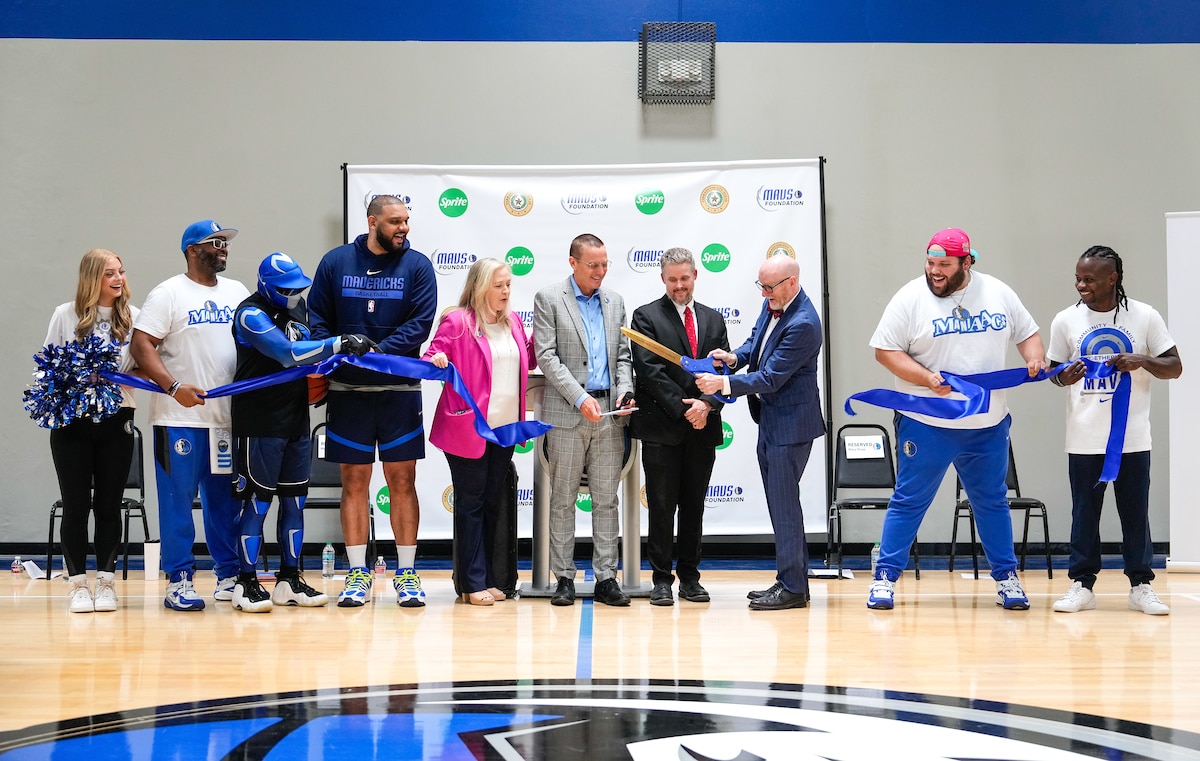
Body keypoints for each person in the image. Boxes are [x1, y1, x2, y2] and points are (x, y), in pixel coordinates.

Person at [863, 227, 1045, 611]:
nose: (935, 272)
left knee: (992, 501)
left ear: (967, 262)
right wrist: (926, 378)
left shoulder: (998, 292)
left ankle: (1006, 578)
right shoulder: (910, 298)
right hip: (926, 421)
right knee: (909, 500)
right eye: (930, 263)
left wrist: (1034, 357)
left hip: (988, 424)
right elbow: (885, 351)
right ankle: (885, 578)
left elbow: (1028, 333)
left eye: (944, 264)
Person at [308, 195, 437, 608]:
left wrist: (372, 352)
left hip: (399, 393)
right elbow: (318, 321)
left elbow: (419, 326)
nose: (404, 228)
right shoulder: (334, 263)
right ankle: (357, 573)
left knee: (403, 481)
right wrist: (342, 347)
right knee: (354, 482)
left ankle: (407, 574)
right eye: (396, 221)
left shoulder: (418, 266)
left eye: (406, 221)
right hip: (348, 394)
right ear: (372, 222)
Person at [228, 251, 376, 613]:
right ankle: (245, 583)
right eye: (286, 289)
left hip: (295, 417)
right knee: (258, 502)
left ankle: (289, 579)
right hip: (258, 421)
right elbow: (287, 354)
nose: (294, 295)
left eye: (298, 288)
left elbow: (312, 356)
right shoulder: (250, 314)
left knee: (295, 500)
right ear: (266, 285)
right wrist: (338, 343)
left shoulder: (299, 308)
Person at [1047, 246, 1182, 616]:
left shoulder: (1144, 316)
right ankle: (1082, 585)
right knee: (1084, 514)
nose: (1081, 285)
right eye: (1078, 277)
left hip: (1133, 436)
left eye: (1089, 279)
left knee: (1135, 512)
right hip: (1083, 435)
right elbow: (1053, 372)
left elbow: (1175, 366)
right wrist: (1063, 376)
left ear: (1112, 278)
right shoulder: (1065, 320)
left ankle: (1141, 585)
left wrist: (1144, 360)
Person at [131, 220, 250, 611]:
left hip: (226, 419)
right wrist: (172, 386)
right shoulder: (168, 293)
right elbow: (141, 343)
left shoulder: (237, 292)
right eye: (215, 243)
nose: (223, 248)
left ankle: (228, 574)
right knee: (177, 500)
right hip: (177, 419)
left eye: (225, 243)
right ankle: (179, 580)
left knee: (224, 502)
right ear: (191, 249)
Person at [696, 253, 825, 611]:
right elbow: (756, 345)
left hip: (790, 425)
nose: (764, 293)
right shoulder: (775, 303)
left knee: (784, 506)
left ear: (792, 283)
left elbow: (771, 378)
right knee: (782, 504)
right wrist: (733, 357)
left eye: (769, 287)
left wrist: (722, 382)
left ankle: (792, 588)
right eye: (762, 286)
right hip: (772, 421)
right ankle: (793, 580)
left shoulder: (803, 323)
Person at [423, 258, 536, 606]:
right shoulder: (457, 321)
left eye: (508, 285)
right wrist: (438, 360)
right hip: (467, 427)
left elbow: (528, 360)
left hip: (504, 429)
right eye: (499, 285)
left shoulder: (513, 322)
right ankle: (472, 584)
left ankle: (487, 577)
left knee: (490, 502)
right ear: (480, 287)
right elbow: (431, 356)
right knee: (470, 503)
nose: (506, 292)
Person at [533, 233, 636, 606]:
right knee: (562, 499)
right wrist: (579, 398)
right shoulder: (548, 298)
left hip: (610, 413)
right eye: (593, 264)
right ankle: (564, 577)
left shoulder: (616, 302)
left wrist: (624, 391)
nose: (601, 271)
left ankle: (607, 577)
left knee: (606, 500)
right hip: (567, 413)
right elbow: (546, 356)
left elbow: (623, 357)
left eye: (605, 264)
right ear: (573, 262)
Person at [629, 248, 730, 606]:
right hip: (662, 428)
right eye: (672, 279)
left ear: (695, 276)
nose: (679, 286)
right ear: (662, 279)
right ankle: (660, 579)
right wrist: (685, 408)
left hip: (704, 426)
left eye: (684, 278)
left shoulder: (715, 321)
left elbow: (725, 374)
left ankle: (690, 578)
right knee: (661, 505)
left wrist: (706, 406)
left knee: (694, 506)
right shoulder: (645, 318)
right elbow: (649, 370)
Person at [44, 249, 139, 613]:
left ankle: (106, 582)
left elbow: (144, 368)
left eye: (121, 272)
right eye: (109, 273)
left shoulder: (134, 318)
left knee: (109, 504)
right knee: (77, 503)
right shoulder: (64, 315)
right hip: (72, 422)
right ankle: (78, 584)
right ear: (91, 278)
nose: (118, 279)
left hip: (117, 419)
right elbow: (48, 366)